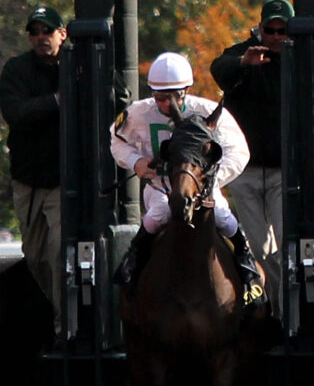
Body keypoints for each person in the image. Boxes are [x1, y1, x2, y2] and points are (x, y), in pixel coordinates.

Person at [108, 52, 264, 304]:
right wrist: (136, 162)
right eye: (160, 98)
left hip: (202, 189)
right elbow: (117, 141)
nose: (166, 104)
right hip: (160, 186)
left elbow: (239, 150)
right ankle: (133, 259)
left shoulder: (207, 111)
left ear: (187, 91)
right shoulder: (138, 113)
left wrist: (210, 180)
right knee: (159, 212)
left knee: (222, 215)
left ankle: (246, 264)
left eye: (173, 97)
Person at [210, 0, 292, 274]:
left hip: (283, 173)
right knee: (258, 249)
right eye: (270, 30)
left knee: (287, 244)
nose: (276, 37)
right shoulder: (242, 54)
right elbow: (219, 68)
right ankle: (269, 299)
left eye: (283, 31)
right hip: (246, 172)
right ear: (260, 28)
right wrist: (244, 63)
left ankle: (284, 299)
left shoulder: (301, 59)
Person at [0, 5, 68, 306]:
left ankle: (64, 324)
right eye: (34, 32)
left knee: (59, 252)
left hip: (63, 181)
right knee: (35, 256)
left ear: (62, 34)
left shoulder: (77, 64)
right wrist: (56, 101)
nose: (41, 37)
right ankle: (55, 312)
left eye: (47, 31)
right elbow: (15, 113)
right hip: (28, 179)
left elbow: (115, 96)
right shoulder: (16, 69)